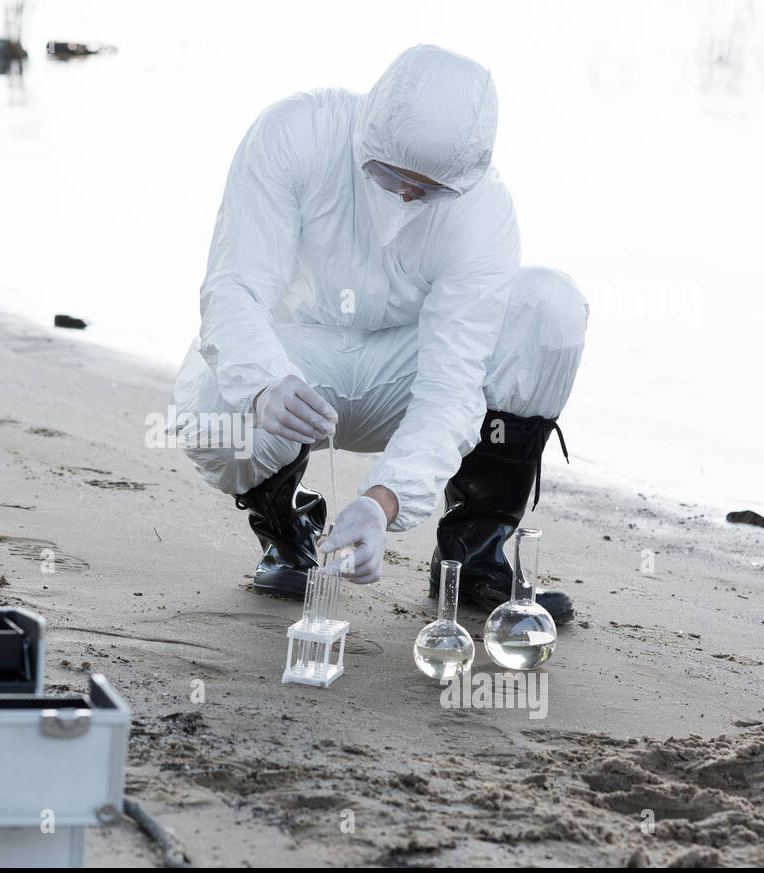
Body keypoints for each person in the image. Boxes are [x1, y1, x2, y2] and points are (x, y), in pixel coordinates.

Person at [172, 45, 588, 623]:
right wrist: (263, 384)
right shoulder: (294, 131)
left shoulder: (484, 212)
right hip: (296, 361)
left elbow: (451, 387)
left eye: (431, 188)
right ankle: (287, 527)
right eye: (391, 176)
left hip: (403, 374)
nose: (407, 195)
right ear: (367, 133)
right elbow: (234, 290)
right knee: (217, 406)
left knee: (550, 304)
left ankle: (472, 552)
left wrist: (382, 502)